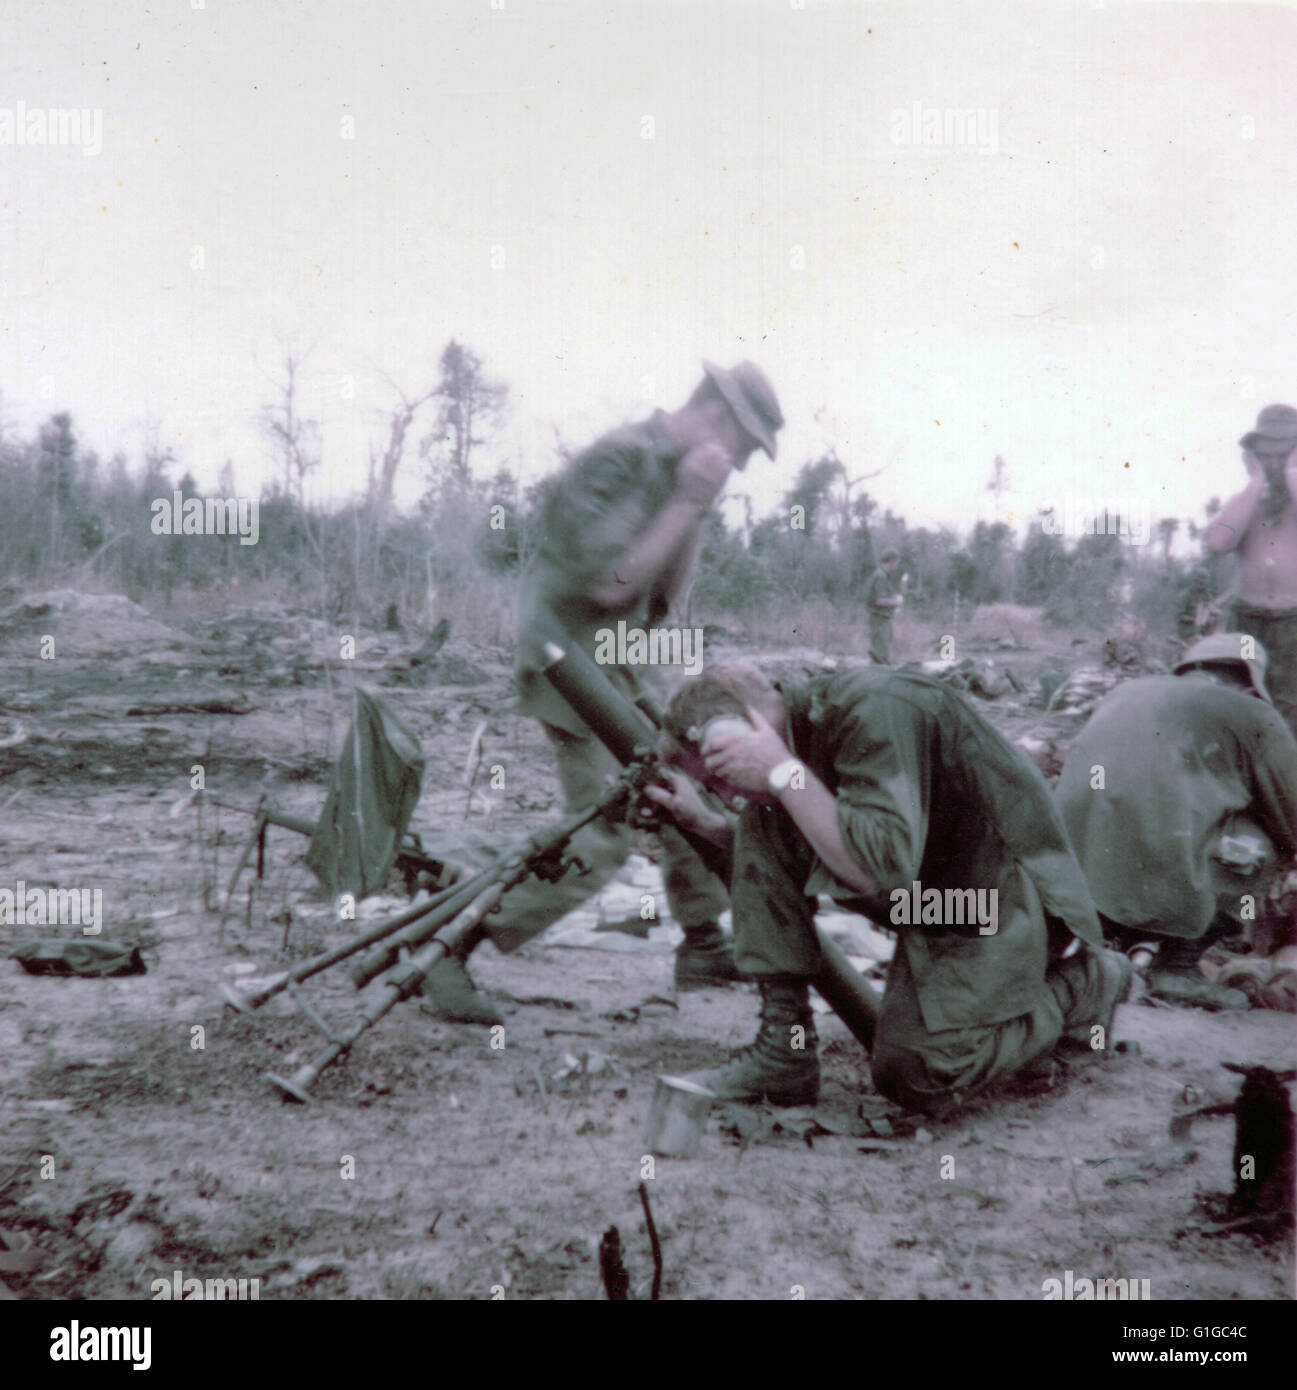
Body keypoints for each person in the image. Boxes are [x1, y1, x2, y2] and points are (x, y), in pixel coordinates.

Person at [421, 363, 785, 1023]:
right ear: (718, 417)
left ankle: (704, 941)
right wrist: (684, 502)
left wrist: (692, 505)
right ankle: (450, 946)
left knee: (684, 786)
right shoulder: (618, 461)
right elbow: (609, 585)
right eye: (742, 447)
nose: (737, 464)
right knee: (605, 833)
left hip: (621, 666)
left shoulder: (671, 473)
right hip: (571, 674)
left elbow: (663, 601)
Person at [644, 662, 1131, 1116]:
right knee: (763, 820)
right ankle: (783, 1052)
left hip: (996, 899)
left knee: (921, 1073)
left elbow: (878, 869)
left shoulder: (875, 709)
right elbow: (790, 854)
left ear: (738, 733)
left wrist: (781, 771)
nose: (728, 796)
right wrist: (709, 825)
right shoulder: (796, 740)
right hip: (929, 897)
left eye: (721, 777)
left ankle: (1085, 986)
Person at [1054, 634, 1297, 1010]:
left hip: (1074, 862)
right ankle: (1178, 966)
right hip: (1156, 863)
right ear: (1249, 682)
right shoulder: (1253, 713)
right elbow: (1291, 808)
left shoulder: (1126, 691)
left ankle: (1115, 946)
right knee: (1260, 841)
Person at [1204, 404, 1297, 736]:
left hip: (1293, 624)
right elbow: (1217, 542)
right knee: (1239, 704)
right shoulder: (1246, 500)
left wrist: (1291, 475)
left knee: (1290, 714)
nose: (1273, 464)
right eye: (1265, 457)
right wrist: (1257, 482)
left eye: (1282, 455)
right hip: (1246, 620)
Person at [864, 549, 904, 664]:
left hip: (883, 620)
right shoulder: (881, 576)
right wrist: (896, 602)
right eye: (896, 563)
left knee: (883, 655)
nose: (897, 566)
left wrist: (893, 598)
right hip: (879, 621)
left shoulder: (883, 576)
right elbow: (879, 601)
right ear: (891, 561)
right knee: (880, 657)